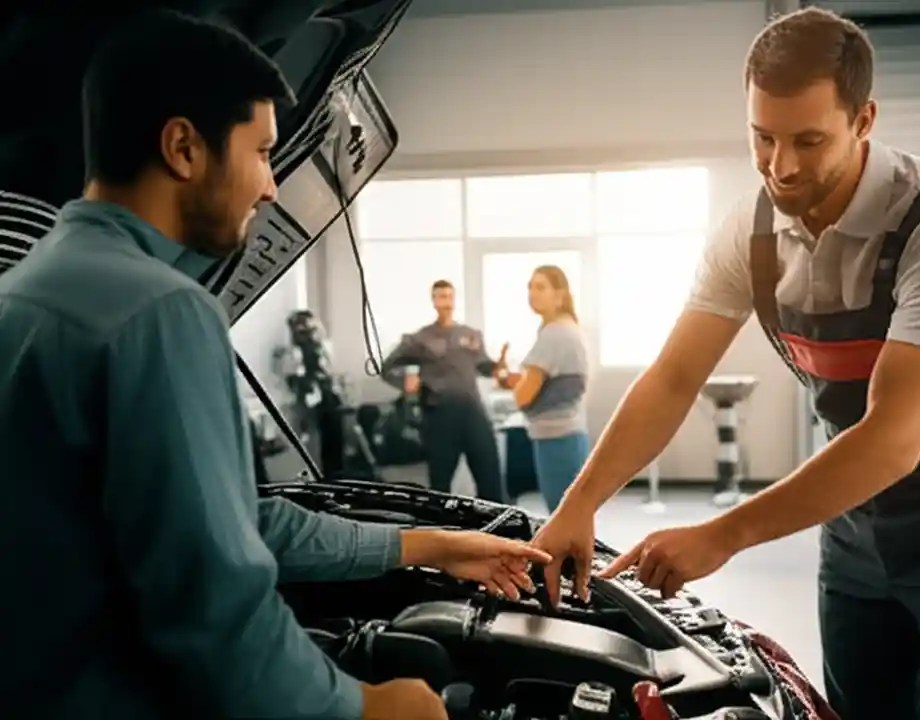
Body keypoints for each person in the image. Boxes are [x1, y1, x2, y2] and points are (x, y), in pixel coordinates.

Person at [0, 10, 549, 720]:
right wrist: (364, 707)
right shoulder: (157, 310)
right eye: (262, 152)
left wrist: (433, 545)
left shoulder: (33, 289)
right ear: (183, 148)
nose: (271, 187)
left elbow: (236, 524)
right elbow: (215, 610)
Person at [531, 8, 920, 720]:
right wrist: (578, 505)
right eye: (762, 137)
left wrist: (723, 533)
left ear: (864, 119)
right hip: (852, 519)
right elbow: (674, 378)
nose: (782, 166)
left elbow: (895, 437)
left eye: (809, 140)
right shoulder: (746, 234)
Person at [380, 279, 509, 502]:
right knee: (440, 486)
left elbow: (485, 367)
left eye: (449, 296)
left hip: (472, 411)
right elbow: (386, 367)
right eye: (440, 297)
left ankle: (495, 532)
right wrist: (405, 381)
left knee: (490, 477)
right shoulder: (420, 338)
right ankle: (443, 534)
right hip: (440, 415)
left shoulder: (471, 335)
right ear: (433, 300)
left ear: (454, 299)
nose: (445, 302)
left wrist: (499, 367)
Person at [499, 266, 590, 513]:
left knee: (561, 517)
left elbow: (522, 397)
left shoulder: (554, 333)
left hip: (556, 438)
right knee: (573, 516)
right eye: (529, 286)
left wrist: (519, 384)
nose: (532, 293)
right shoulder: (570, 328)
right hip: (569, 434)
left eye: (540, 287)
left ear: (560, 295)